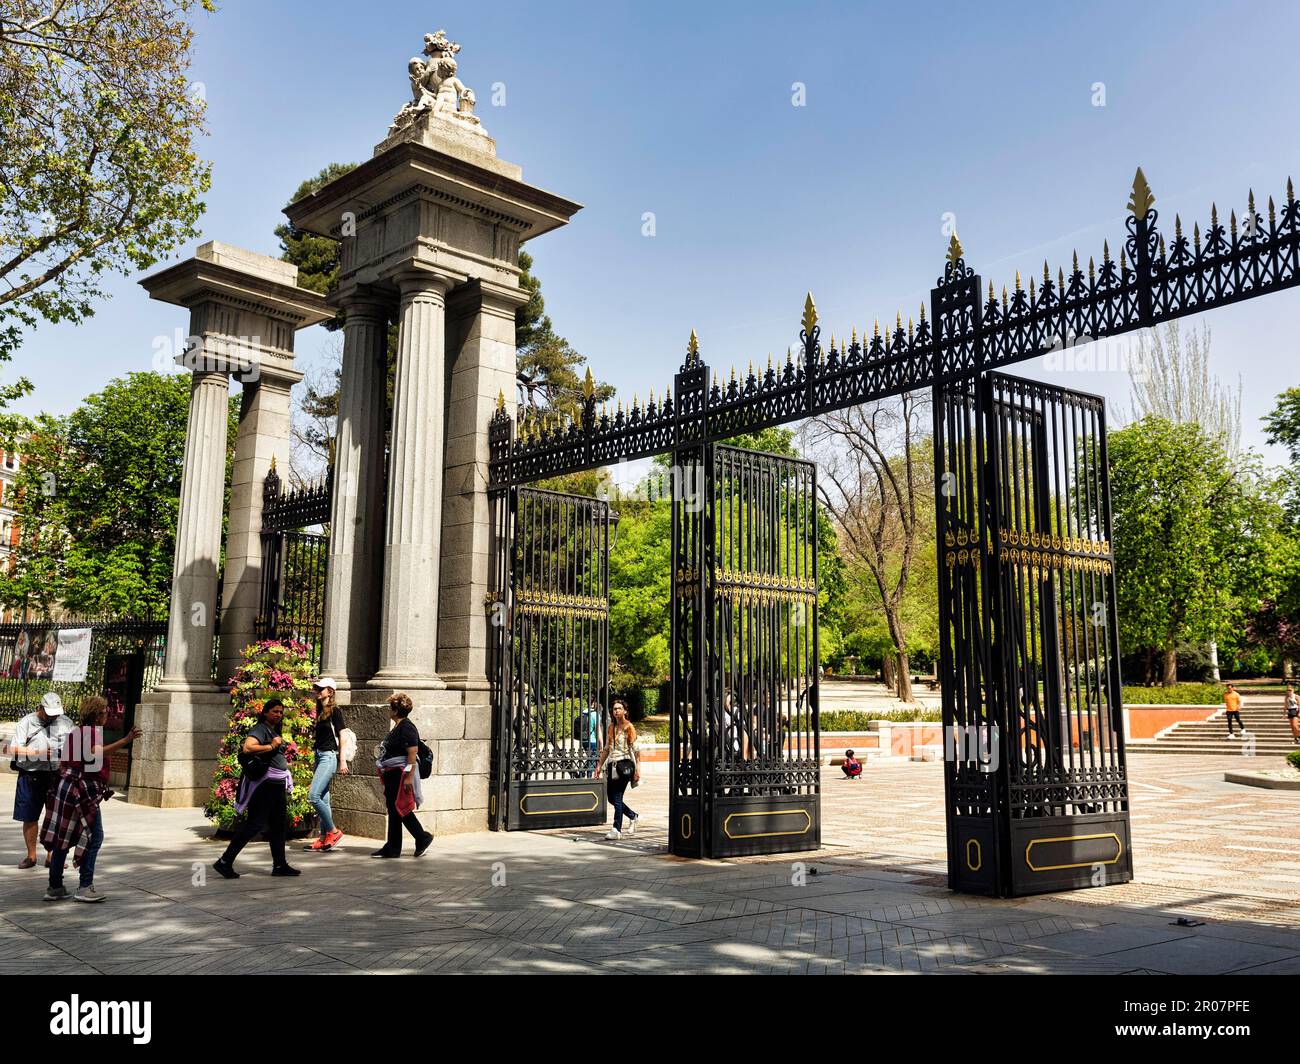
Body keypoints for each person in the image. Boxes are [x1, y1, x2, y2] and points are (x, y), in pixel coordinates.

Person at [41, 696, 141, 902]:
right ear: (96, 715)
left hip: (65, 787)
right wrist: (125, 740)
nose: (107, 714)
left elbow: (64, 762)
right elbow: (94, 753)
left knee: (62, 837)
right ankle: (85, 886)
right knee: (94, 837)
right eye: (105, 711)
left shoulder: (75, 732)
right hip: (81, 791)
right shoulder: (91, 733)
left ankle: (55, 886)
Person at [213, 697, 299, 879]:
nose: (278, 715)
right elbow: (247, 748)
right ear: (266, 712)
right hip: (264, 786)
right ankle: (225, 861)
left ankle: (280, 865)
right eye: (275, 711)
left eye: (281, 712)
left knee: (278, 825)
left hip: (276, 785)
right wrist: (271, 745)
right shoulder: (260, 728)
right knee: (254, 825)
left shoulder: (272, 729)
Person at [10, 692, 74, 869]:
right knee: (30, 816)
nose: (54, 717)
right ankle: (31, 856)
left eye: (56, 713)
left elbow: (75, 748)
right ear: (41, 708)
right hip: (31, 774)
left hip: (55, 775)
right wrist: (37, 754)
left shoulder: (66, 723)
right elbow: (13, 748)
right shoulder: (27, 722)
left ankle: (52, 855)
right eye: (50, 713)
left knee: (54, 815)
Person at [371, 693, 433, 858]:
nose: (389, 710)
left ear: (396, 710)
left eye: (391, 707)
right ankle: (395, 846)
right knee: (395, 808)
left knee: (399, 807)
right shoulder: (399, 726)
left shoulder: (407, 727)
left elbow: (412, 754)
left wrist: (408, 777)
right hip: (393, 773)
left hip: (400, 774)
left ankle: (421, 837)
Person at [305, 677, 346, 852]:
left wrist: (342, 761)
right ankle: (323, 838)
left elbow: (342, 735)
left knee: (313, 796)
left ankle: (333, 831)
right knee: (323, 799)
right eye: (316, 688)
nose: (317, 691)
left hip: (329, 757)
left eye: (321, 689)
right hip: (318, 756)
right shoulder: (319, 711)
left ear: (330, 691)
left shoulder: (335, 711)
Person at [595, 699, 640, 841]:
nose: (616, 711)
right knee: (611, 798)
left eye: (619, 708)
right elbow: (607, 749)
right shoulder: (611, 727)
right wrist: (598, 766)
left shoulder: (629, 727)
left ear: (625, 711)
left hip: (624, 765)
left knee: (618, 797)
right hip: (612, 765)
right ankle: (633, 816)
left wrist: (638, 770)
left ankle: (616, 829)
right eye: (615, 709)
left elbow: (636, 750)